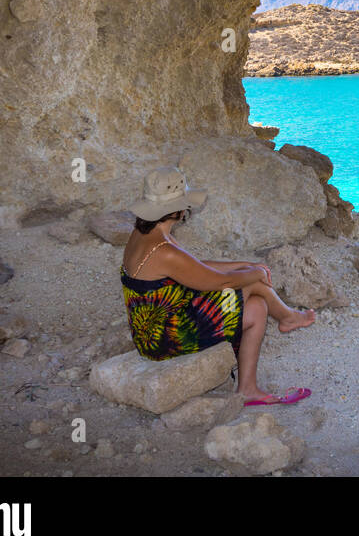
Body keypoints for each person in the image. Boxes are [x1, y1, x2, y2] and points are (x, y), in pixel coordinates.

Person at [120, 166, 315, 406]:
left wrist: (244, 265)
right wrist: (254, 273)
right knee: (251, 286)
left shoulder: (145, 234)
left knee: (256, 306)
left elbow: (193, 267)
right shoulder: (164, 249)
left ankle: (247, 389)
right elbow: (221, 282)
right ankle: (289, 317)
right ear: (177, 209)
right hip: (165, 336)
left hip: (156, 325)